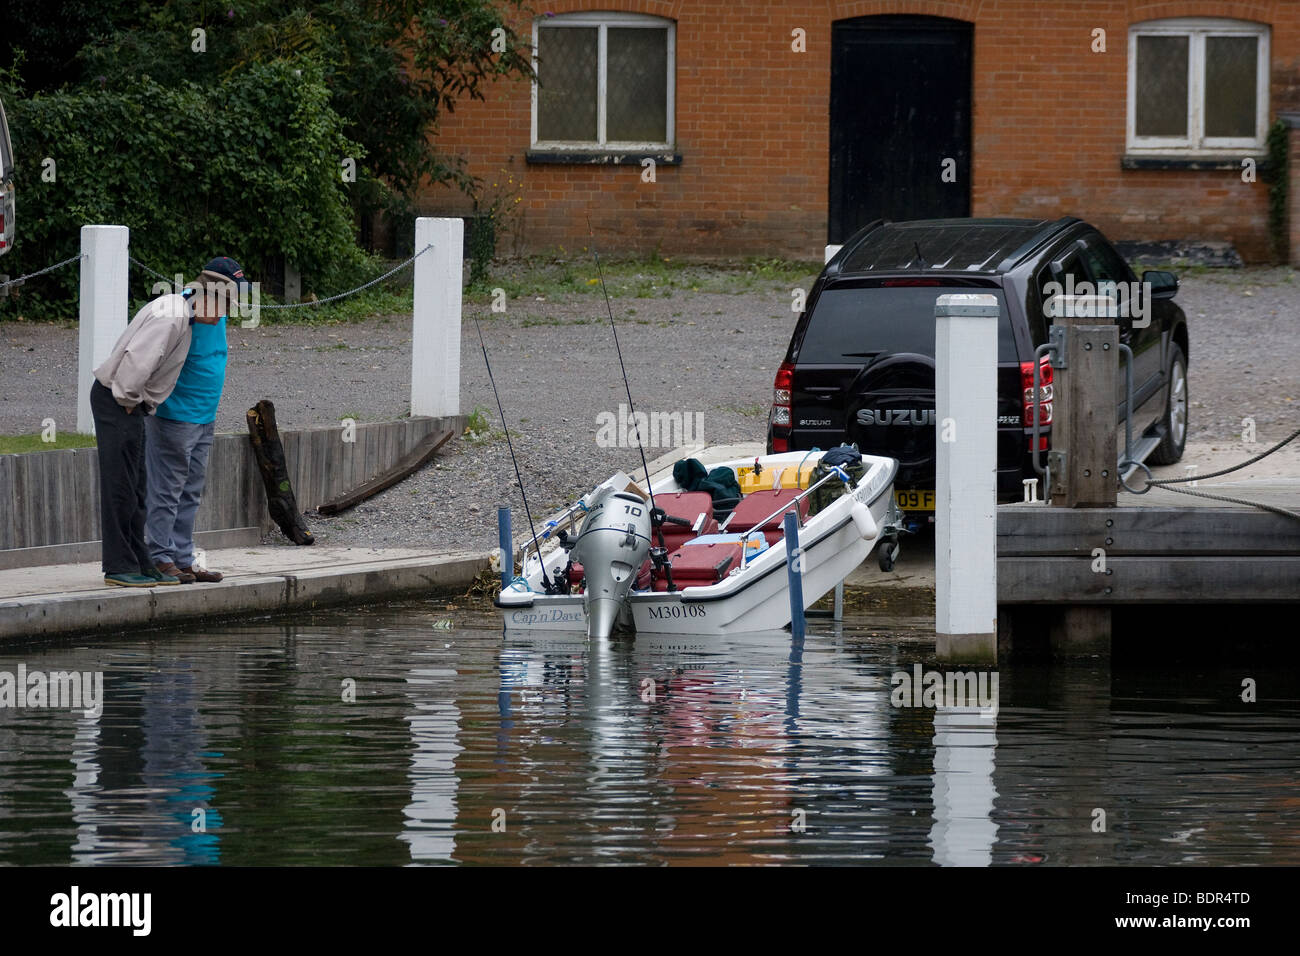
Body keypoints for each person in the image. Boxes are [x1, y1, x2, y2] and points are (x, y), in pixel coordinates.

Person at [89, 258, 235, 588]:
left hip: (134, 405)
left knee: (138, 489)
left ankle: (144, 562)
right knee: (122, 489)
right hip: (119, 401)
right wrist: (128, 402)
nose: (225, 315)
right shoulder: (174, 316)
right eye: (224, 305)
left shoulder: (186, 313)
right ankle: (120, 567)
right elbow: (137, 361)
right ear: (208, 296)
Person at [145, 257, 246, 584]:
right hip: (175, 415)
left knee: (190, 491)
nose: (233, 304)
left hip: (205, 415)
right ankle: (158, 556)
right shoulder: (182, 309)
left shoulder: (220, 307)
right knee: (167, 489)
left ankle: (182, 558)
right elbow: (152, 353)